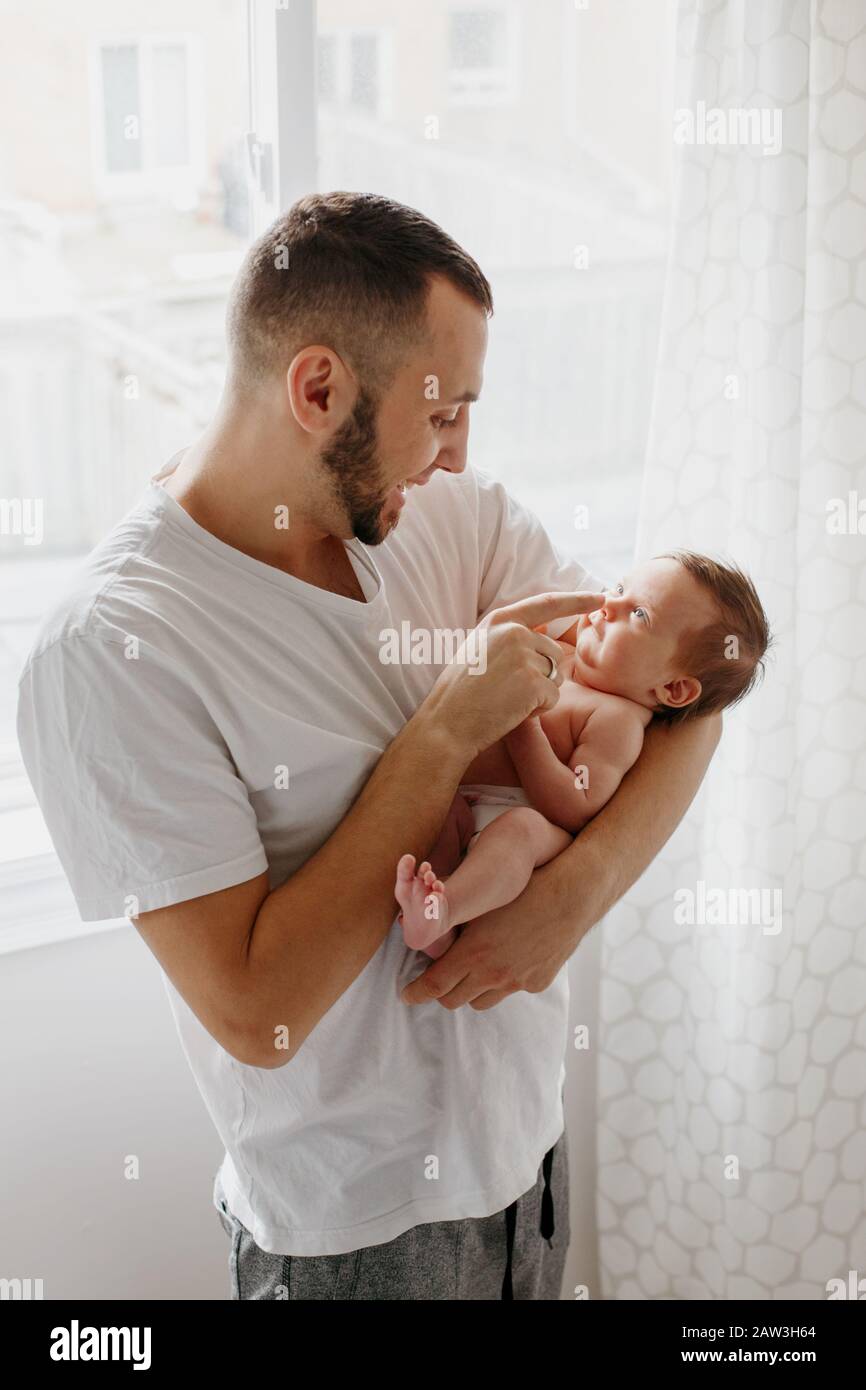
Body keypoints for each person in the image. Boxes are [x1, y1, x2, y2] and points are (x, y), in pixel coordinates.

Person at [16, 191, 721, 1301]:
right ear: (317, 389)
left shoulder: (452, 516)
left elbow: (690, 697)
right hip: (359, 1239)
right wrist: (441, 733)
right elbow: (258, 1012)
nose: (456, 457)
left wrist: (573, 895)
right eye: (442, 415)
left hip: (528, 1161)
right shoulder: (114, 649)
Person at [395, 553, 770, 959]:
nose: (610, 605)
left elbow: (575, 806)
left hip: (527, 819)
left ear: (674, 689)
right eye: (621, 588)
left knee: (519, 833)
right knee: (441, 811)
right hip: (467, 798)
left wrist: (525, 729)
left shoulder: (618, 720)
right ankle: (432, 907)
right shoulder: (563, 653)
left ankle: (448, 908)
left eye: (640, 614)